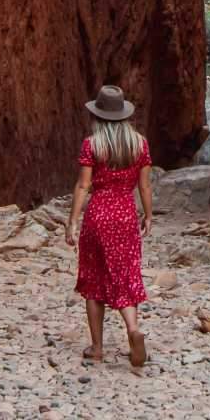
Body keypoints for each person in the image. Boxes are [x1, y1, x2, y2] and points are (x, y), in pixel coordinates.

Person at [64, 84, 154, 367]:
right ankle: (132, 329)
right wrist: (148, 215)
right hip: (126, 215)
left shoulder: (92, 144)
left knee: (94, 280)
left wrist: (72, 221)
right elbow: (145, 185)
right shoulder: (140, 144)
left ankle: (98, 347)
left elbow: (83, 185)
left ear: (98, 115)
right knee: (126, 274)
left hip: (99, 214)